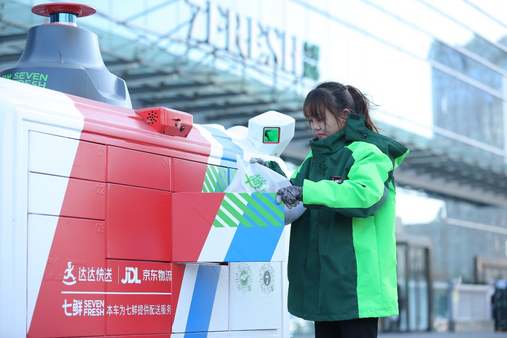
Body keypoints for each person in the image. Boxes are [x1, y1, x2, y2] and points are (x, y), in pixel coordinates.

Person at [273, 81, 409, 338]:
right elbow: (292, 192)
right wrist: (269, 172)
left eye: (321, 119)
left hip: (356, 289)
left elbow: (365, 196)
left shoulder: (369, 153)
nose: (315, 127)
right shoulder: (312, 161)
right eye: (311, 120)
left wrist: (307, 192)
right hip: (321, 290)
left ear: (344, 116)